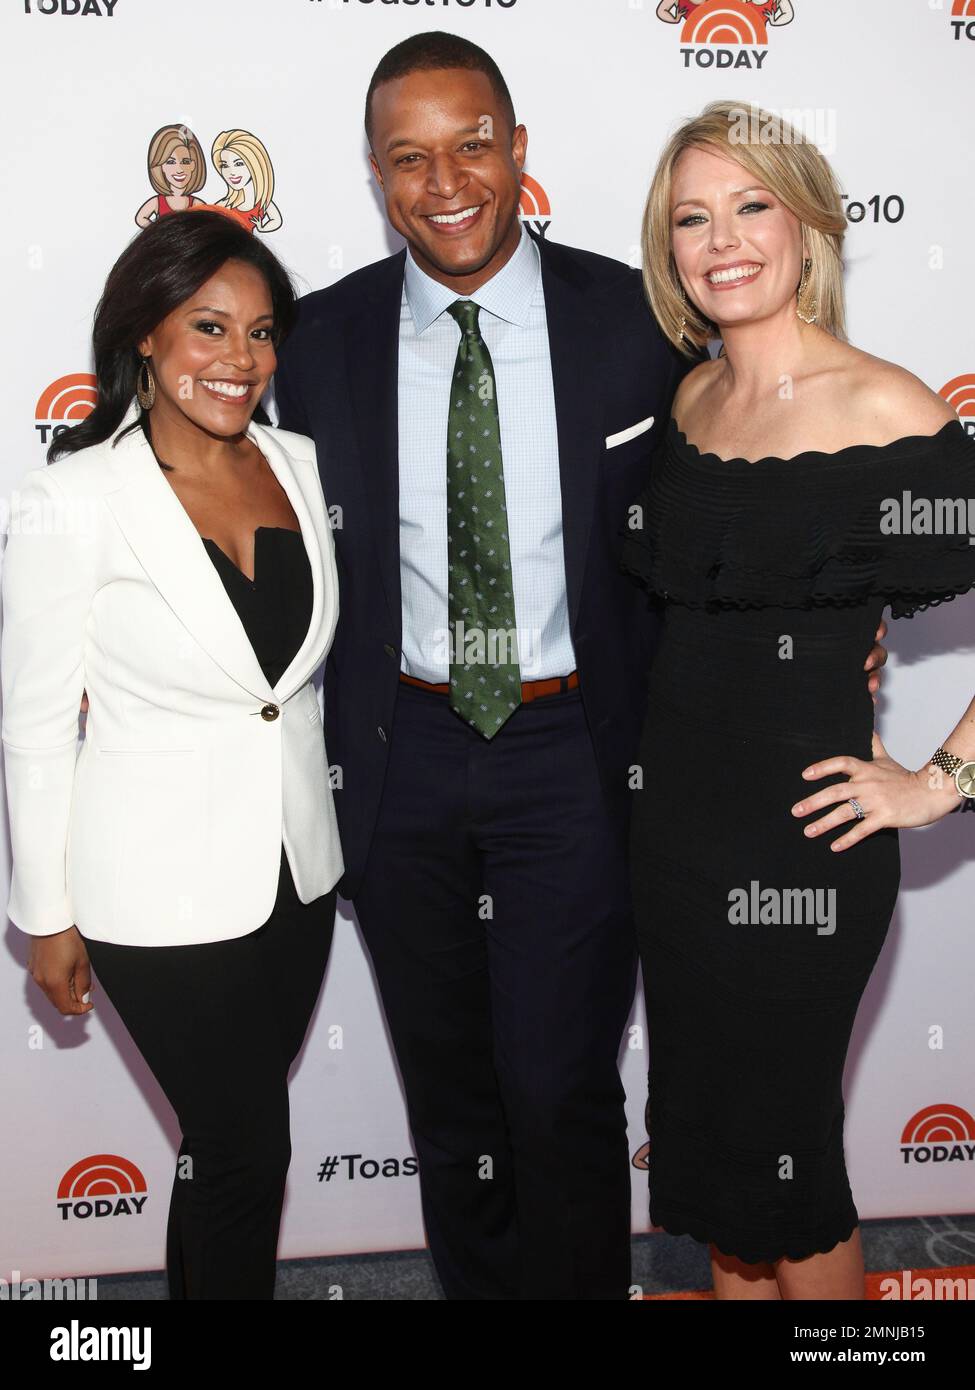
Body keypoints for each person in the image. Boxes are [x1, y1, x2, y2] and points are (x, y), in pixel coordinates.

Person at [271, 35, 888, 1299]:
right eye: (410, 156)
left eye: (473, 142)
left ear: (519, 149)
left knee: (559, 1088)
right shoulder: (317, 341)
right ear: (378, 175)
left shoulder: (641, 321)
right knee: (451, 1102)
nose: (447, 179)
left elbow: (758, 471)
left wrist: (837, 615)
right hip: (404, 761)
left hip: (581, 759)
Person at [620, 100, 975, 1300]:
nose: (723, 240)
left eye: (751, 204)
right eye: (692, 217)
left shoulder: (888, 410)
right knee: (723, 1180)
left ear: (809, 220)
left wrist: (942, 780)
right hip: (677, 843)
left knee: (790, 1171)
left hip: (806, 851)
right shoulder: (687, 405)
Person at [1, 209, 343, 1299]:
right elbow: (37, 720)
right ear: (145, 331)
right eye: (208, 328)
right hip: (150, 896)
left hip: (293, 873)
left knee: (225, 1150)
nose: (239, 360)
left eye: (260, 332)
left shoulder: (295, 460)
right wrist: (45, 913)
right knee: (247, 1150)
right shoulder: (72, 497)